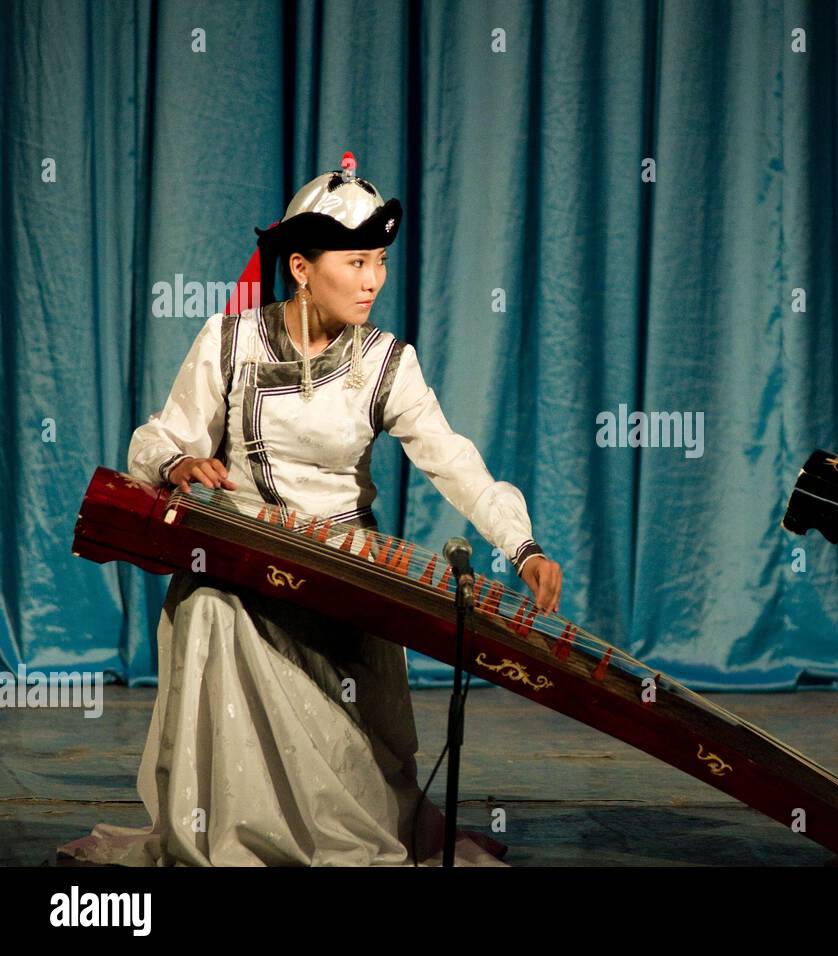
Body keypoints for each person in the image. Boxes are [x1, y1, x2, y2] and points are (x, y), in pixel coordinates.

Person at [58, 152, 562, 866]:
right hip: (238, 562)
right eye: (356, 263)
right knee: (208, 609)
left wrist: (523, 545)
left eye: (379, 263)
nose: (373, 281)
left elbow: (451, 458)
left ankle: (333, 820)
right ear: (301, 268)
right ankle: (225, 829)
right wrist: (178, 463)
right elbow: (158, 439)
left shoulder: (386, 361)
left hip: (342, 572)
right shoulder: (230, 342)